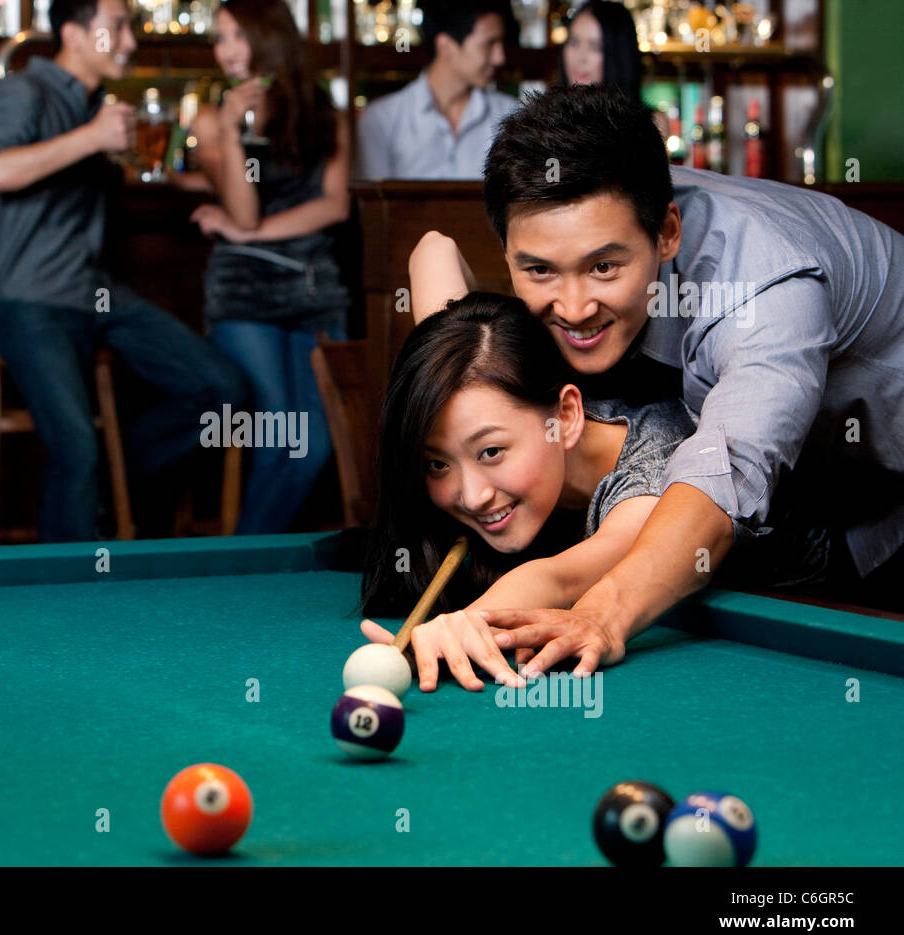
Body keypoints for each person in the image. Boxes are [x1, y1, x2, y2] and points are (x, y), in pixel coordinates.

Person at [407, 85, 904, 679]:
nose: (572, 307)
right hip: (822, 497)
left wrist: (602, 616)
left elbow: (727, 480)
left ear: (667, 234)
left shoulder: (763, 292)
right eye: (538, 269)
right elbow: (435, 252)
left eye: (603, 267)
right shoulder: (613, 210)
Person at [0, 0, 246, 542]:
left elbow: (119, 177)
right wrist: (93, 138)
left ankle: (110, 479)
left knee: (225, 390)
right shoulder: (26, 91)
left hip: (94, 294)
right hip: (29, 300)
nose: (129, 41)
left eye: (130, 28)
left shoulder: (99, 106)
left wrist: (197, 183)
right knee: (75, 448)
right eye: (116, 27)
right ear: (73, 33)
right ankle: (67, 590)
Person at [358, 292, 701, 692]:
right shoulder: (483, 375)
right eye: (437, 463)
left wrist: (468, 622)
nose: (471, 497)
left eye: (491, 452)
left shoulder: (658, 478)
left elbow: (561, 579)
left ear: (568, 416)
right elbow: (434, 248)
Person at [188, 0, 351, 534]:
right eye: (220, 38)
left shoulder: (323, 111)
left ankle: (240, 561)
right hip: (245, 293)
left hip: (313, 290)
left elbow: (334, 205)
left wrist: (249, 232)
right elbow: (243, 210)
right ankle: (242, 570)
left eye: (237, 35)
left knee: (317, 444)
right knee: (282, 433)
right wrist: (234, 134)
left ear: (270, 37)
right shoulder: (212, 119)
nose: (226, 51)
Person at [355, 0, 520, 180]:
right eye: (489, 44)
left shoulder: (511, 115)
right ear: (445, 45)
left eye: (501, 43)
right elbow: (373, 204)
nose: (499, 58)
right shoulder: (382, 120)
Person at [560, 0, 641, 98]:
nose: (581, 57)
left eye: (595, 47)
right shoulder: (547, 111)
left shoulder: (644, 114)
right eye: (574, 42)